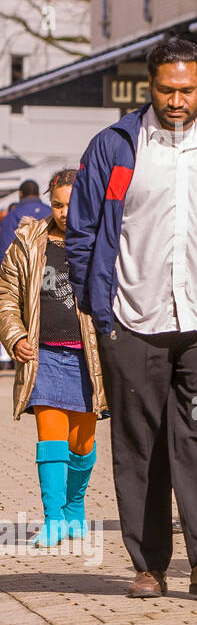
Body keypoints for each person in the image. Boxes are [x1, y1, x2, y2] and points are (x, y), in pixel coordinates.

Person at [67, 37, 197, 599]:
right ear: (149, 86)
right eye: (165, 89)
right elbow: (82, 230)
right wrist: (95, 302)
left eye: (187, 89)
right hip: (133, 318)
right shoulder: (114, 146)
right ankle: (149, 564)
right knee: (141, 440)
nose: (176, 100)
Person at [0, 170, 107, 547]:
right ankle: (53, 518)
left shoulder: (103, 241)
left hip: (88, 361)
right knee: (51, 438)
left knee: (82, 441)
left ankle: (75, 504)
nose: (64, 212)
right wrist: (15, 337)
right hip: (42, 356)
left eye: (71, 204)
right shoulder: (28, 241)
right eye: (57, 204)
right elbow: (7, 295)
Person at [0, 179, 52, 256]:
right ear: (38, 193)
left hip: (23, 264)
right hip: (51, 264)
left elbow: (6, 249)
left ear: (20, 194)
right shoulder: (51, 211)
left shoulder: (12, 216)